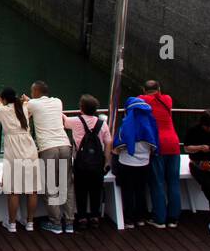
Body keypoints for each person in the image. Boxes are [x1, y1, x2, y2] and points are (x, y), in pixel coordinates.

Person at [24, 80, 75, 234]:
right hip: (65, 145)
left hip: (48, 148)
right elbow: (40, 106)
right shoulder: (58, 102)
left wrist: (27, 101)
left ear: (36, 92)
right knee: (67, 184)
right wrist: (30, 100)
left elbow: (25, 110)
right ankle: (70, 221)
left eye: (32, 92)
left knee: (51, 186)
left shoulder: (32, 104)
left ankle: (56, 222)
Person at [0, 87, 39, 231]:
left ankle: (12, 223)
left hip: (13, 151)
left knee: (13, 190)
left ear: (4, 99)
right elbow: (31, 106)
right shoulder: (25, 108)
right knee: (32, 189)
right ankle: (30, 223)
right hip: (29, 148)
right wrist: (27, 100)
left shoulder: (3, 110)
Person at [64, 94, 111, 228]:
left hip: (81, 163)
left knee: (81, 190)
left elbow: (63, 120)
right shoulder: (102, 124)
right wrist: (107, 162)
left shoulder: (75, 121)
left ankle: (82, 217)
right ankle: (95, 216)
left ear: (81, 108)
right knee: (96, 189)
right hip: (97, 163)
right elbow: (108, 142)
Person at [139, 80, 181, 229]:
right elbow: (160, 97)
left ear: (144, 90)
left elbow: (133, 102)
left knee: (157, 182)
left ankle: (160, 218)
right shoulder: (167, 99)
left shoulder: (143, 100)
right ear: (159, 89)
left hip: (158, 145)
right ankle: (173, 218)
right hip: (174, 144)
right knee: (174, 182)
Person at [113, 96, 159, 227]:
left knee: (128, 191)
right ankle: (140, 217)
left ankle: (128, 219)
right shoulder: (150, 126)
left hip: (126, 163)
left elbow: (118, 147)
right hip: (144, 164)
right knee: (140, 190)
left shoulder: (127, 126)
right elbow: (154, 146)